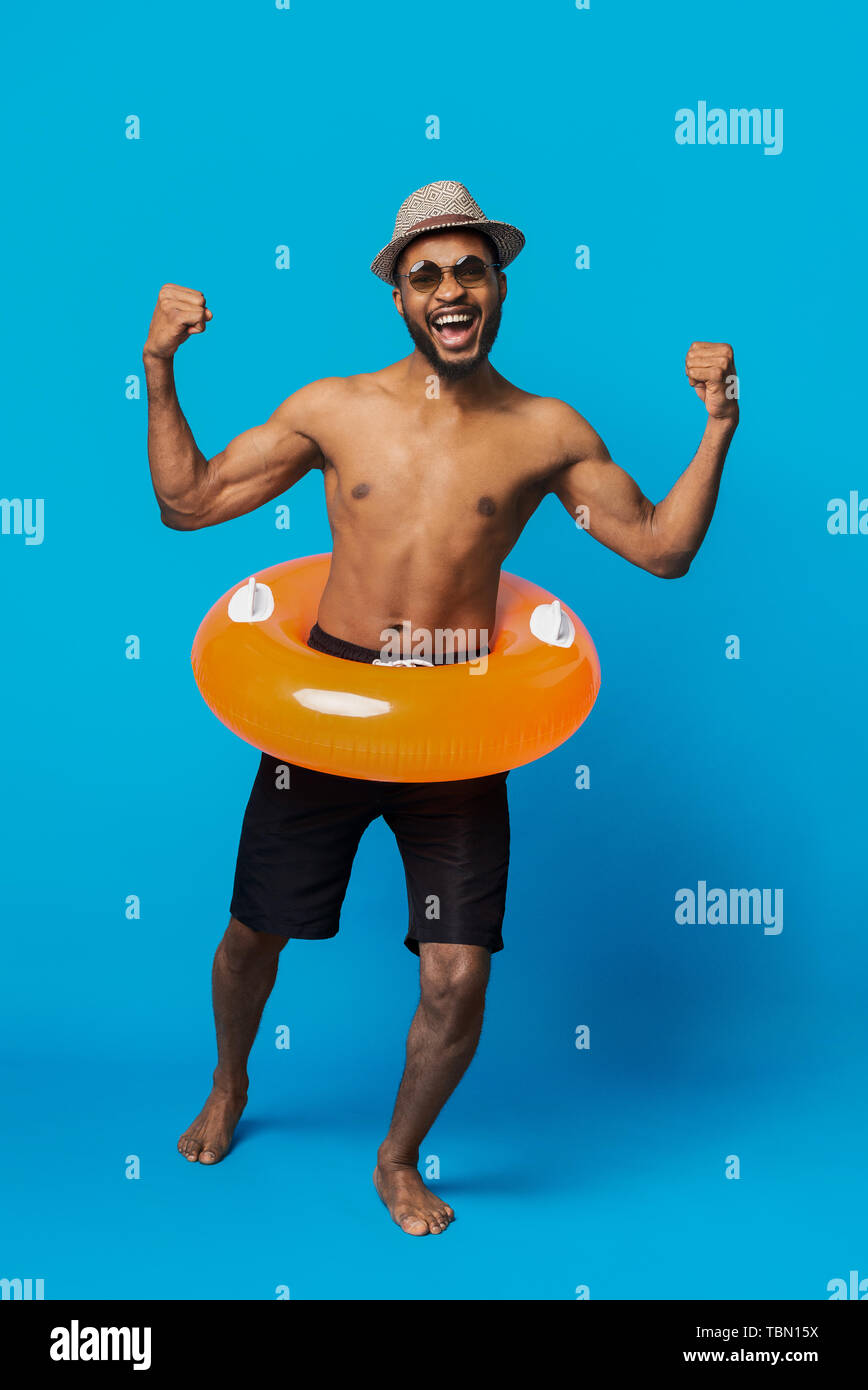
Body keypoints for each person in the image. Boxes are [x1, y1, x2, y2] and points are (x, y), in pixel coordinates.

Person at [142, 179, 739, 1236]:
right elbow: (188, 504)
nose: (450, 290)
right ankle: (232, 1082)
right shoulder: (333, 410)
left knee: (458, 976)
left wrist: (717, 428)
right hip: (323, 707)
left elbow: (661, 550)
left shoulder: (545, 431)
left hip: (459, 721)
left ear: (499, 286)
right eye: (427, 275)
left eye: (471, 269)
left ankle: (398, 1157)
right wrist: (159, 367)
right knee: (252, 937)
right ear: (399, 298)